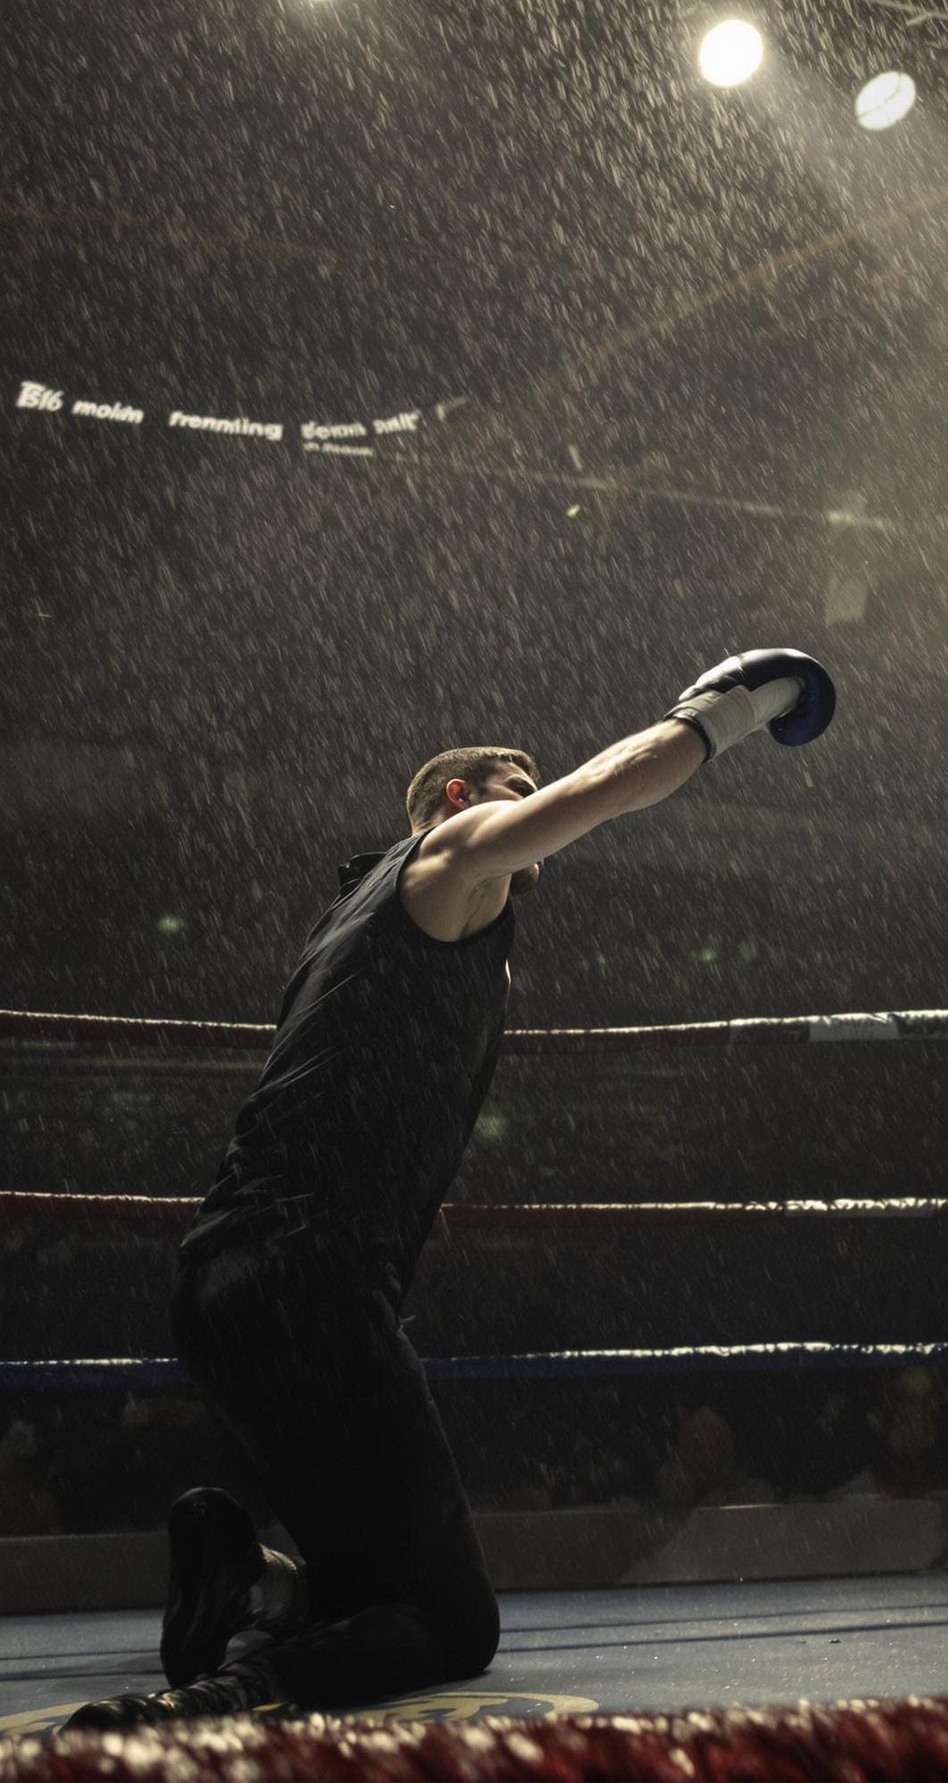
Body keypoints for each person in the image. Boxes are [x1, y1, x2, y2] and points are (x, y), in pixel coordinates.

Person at [66, 648, 835, 1729]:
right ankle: (232, 1693)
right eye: (513, 790)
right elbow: (602, 789)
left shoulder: (356, 918)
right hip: (311, 1276)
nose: (533, 817)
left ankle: (251, 1580)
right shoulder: (443, 856)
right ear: (459, 799)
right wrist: (726, 713)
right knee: (451, 1621)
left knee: (377, 1575)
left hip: (230, 1278)